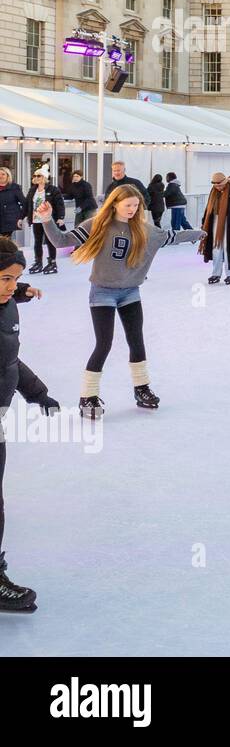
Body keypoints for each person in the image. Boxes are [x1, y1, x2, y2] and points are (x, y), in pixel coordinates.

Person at [36, 185, 205, 417]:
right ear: (115, 203)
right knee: (104, 344)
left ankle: (142, 388)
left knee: (137, 341)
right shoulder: (98, 225)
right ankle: (88, 396)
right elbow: (61, 240)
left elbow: (171, 237)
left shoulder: (145, 230)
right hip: (102, 292)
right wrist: (47, 219)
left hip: (130, 292)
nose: (133, 210)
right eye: (128, 205)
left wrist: (200, 233)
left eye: (136, 206)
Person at [0, 236, 59, 613]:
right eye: (5, 278)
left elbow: (10, 362)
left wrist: (39, 394)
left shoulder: (7, 309)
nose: (10, 287)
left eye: (14, 279)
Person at [199, 173, 230, 286]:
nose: (218, 186)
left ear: (225, 182)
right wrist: (204, 223)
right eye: (215, 184)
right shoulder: (213, 192)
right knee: (216, 247)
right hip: (215, 221)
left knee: (228, 248)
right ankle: (216, 273)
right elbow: (208, 209)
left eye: (220, 184)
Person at [22, 171, 64, 275]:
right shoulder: (33, 190)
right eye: (35, 176)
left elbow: (59, 204)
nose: (36, 177)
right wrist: (21, 217)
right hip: (36, 219)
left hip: (48, 220)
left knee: (50, 241)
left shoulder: (53, 189)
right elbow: (27, 204)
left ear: (45, 177)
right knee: (37, 241)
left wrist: (61, 217)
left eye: (39, 176)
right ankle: (38, 262)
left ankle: (52, 262)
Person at [0, 169, 24, 240]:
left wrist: (20, 217)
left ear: (8, 176)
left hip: (9, 220)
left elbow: (24, 203)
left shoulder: (14, 187)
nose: (0, 176)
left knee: (5, 242)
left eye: (3, 174)